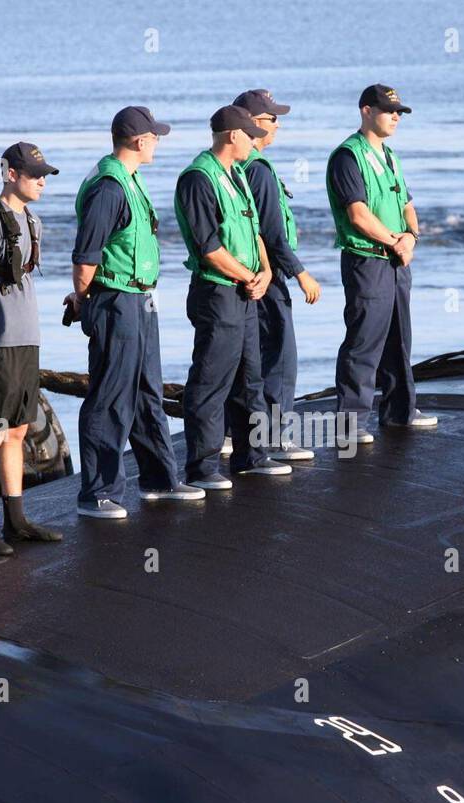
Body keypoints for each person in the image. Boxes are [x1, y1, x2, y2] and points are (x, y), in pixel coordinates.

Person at [68, 106, 205, 519]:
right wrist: (83, 299)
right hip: (116, 300)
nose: (158, 142)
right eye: (154, 136)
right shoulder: (110, 187)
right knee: (111, 395)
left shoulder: (130, 180)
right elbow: (85, 258)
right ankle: (97, 494)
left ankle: (159, 479)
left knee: (148, 390)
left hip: (140, 299)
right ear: (137, 141)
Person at [174, 105, 293, 490]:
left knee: (250, 378)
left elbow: (255, 230)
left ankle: (252, 456)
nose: (255, 141)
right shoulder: (198, 178)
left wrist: (266, 271)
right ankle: (202, 467)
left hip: (245, 291)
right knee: (211, 380)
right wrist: (248, 276)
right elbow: (209, 247)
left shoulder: (238, 174)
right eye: (250, 135)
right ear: (232, 136)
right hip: (216, 292)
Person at [0, 142, 65, 556]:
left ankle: (16, 519)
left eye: (44, 174)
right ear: (10, 174)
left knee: (18, 430)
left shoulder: (32, 219)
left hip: (27, 339)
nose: (41, 180)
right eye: (34, 173)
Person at [327, 84, 437, 444]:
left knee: (398, 339)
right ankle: (351, 422)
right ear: (365, 111)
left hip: (396, 260)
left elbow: (406, 204)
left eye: (399, 112)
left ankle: (400, 411)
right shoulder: (348, 156)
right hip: (367, 260)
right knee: (364, 341)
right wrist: (395, 240)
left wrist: (411, 238)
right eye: (389, 110)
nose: (395, 117)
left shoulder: (390, 156)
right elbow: (358, 214)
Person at [231, 88, 320, 461]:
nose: (278, 125)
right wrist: (300, 274)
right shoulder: (258, 171)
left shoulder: (234, 168)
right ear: (252, 124)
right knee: (279, 357)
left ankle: (230, 431)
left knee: (244, 360)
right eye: (271, 119)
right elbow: (270, 234)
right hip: (265, 278)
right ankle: (275, 436)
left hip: (244, 276)